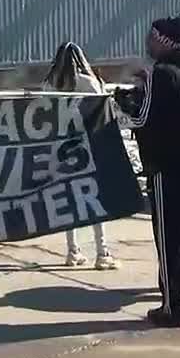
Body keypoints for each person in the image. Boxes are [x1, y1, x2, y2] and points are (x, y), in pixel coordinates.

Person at [115, 11, 180, 328]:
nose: (147, 44)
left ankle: (172, 307)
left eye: (150, 38)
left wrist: (126, 105)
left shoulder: (161, 72)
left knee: (168, 239)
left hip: (168, 164)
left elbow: (142, 119)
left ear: (161, 41)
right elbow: (176, 108)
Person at [41, 42, 117, 270]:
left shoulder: (49, 84)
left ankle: (72, 251)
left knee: (69, 199)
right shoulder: (89, 82)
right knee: (94, 198)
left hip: (61, 148)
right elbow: (103, 107)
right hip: (87, 147)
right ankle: (102, 252)